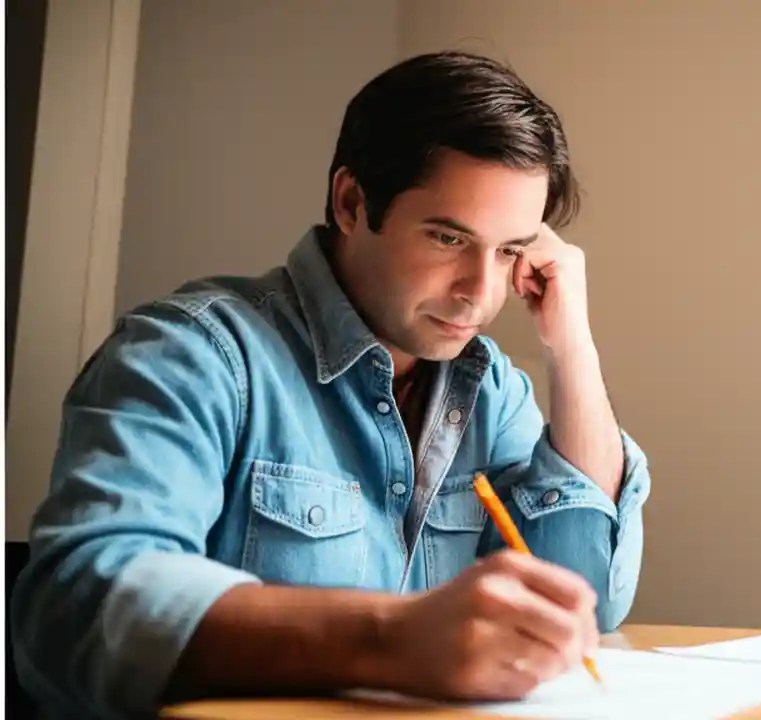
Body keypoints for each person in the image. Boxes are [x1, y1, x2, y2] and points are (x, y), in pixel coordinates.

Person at [10, 51, 650, 719]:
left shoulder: (491, 392)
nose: (480, 293)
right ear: (351, 202)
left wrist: (571, 348)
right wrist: (390, 638)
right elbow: (77, 611)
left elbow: (583, 602)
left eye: (512, 250)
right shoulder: (190, 355)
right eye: (447, 237)